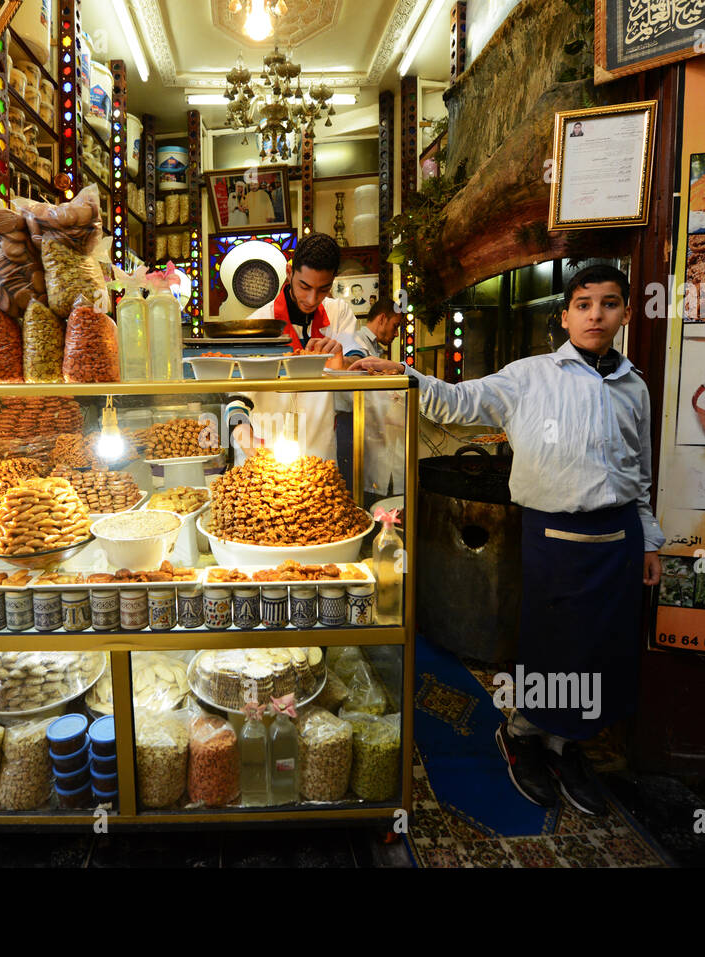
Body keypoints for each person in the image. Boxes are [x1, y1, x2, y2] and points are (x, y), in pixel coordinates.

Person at [353, 264, 664, 816]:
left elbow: (639, 473)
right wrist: (404, 375)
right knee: (550, 643)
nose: (596, 315)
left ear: (625, 313)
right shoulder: (529, 377)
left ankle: (568, 749)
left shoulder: (634, 387)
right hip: (553, 536)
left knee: (598, 650)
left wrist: (651, 541)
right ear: (564, 315)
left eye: (609, 304)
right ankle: (522, 736)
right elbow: (459, 402)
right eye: (584, 304)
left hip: (617, 538)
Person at [243, 234, 359, 462]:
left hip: (320, 454)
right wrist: (242, 434)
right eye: (304, 286)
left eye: (323, 289)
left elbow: (360, 363)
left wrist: (342, 363)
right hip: (268, 456)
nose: (312, 298)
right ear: (289, 272)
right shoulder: (257, 324)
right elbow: (237, 396)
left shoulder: (339, 313)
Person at [345, 297, 406, 503]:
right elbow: (361, 391)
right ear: (382, 319)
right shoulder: (356, 345)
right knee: (362, 498)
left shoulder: (374, 349)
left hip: (371, 429)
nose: (396, 334)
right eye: (395, 326)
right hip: (353, 429)